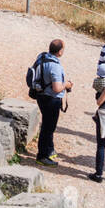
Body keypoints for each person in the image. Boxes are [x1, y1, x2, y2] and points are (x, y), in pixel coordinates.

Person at [33, 39, 73, 167]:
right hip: (51, 99)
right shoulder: (55, 66)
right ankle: (42, 156)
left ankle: (49, 149)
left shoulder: (42, 56)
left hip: (41, 95)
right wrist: (66, 84)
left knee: (46, 124)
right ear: (60, 52)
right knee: (48, 127)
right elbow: (56, 88)